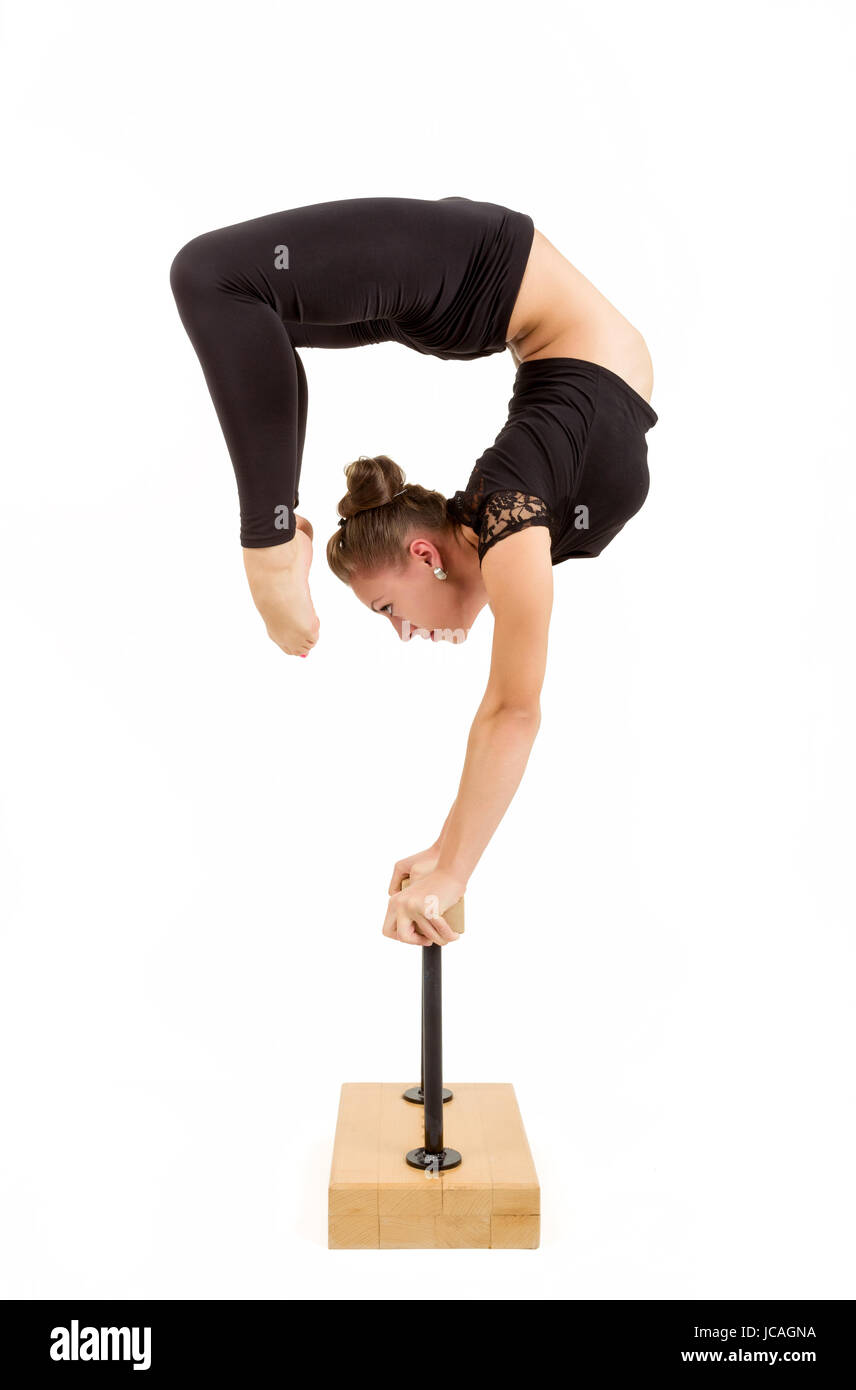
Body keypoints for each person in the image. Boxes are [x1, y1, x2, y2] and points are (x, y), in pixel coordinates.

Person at [169, 195, 658, 948]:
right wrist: (446, 851)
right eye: (386, 617)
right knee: (246, 307)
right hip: (484, 297)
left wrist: (456, 870)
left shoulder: (508, 513)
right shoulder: (512, 522)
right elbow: (509, 713)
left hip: (480, 274)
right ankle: (277, 532)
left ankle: (269, 545)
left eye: (385, 610)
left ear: (425, 555)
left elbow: (511, 711)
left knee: (211, 277)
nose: (403, 631)